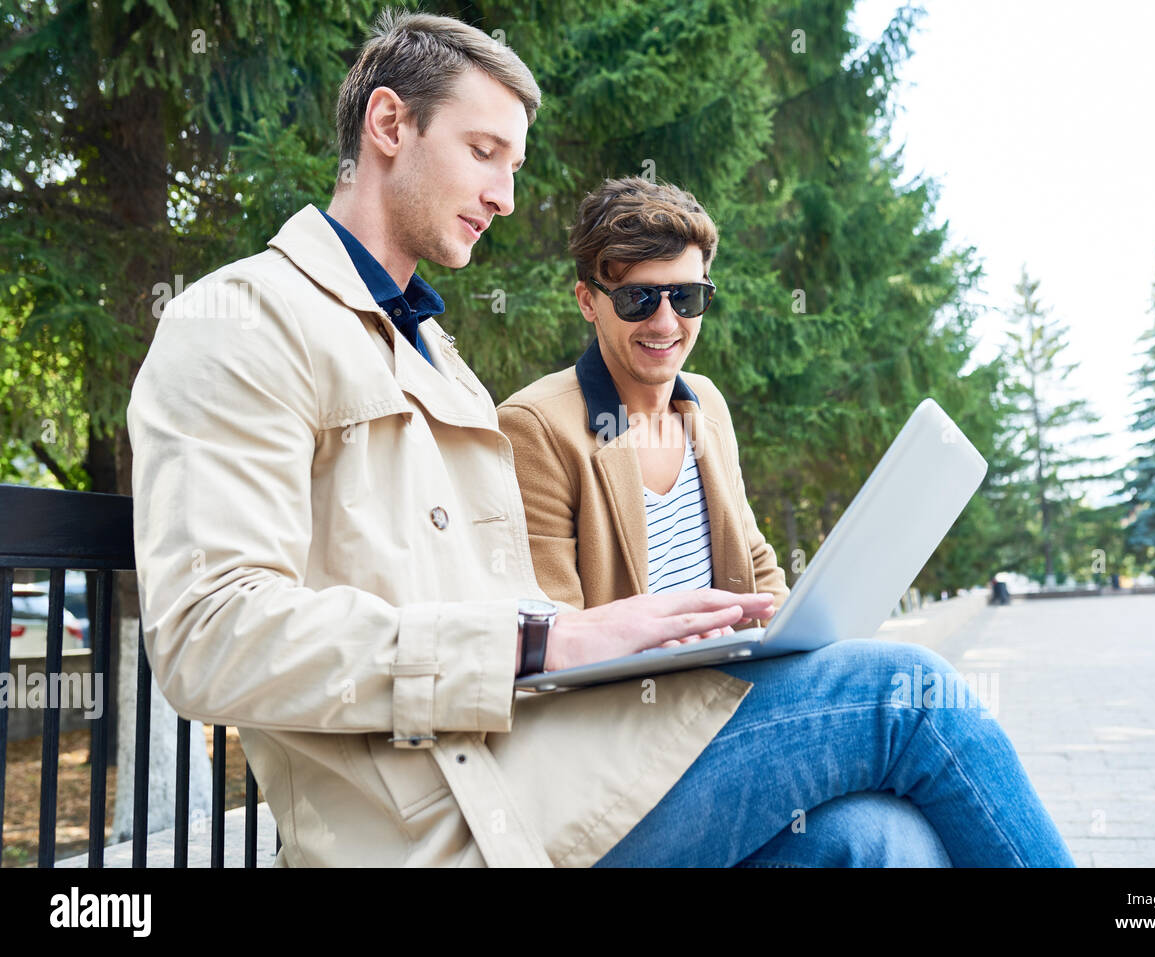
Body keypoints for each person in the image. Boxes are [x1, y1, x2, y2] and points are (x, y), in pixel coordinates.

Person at [127, 9, 1073, 868]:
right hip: (446, 822)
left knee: (882, 842)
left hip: (543, 764)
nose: (503, 194)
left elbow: (517, 614)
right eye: (484, 151)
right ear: (388, 126)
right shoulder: (240, 321)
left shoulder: (439, 360)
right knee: (908, 692)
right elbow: (211, 635)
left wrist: (663, 639)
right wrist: (543, 642)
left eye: (516, 166)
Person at [497, 177, 953, 866]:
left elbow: (756, 565)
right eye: (637, 297)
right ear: (587, 300)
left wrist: (807, 614)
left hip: (727, 717)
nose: (665, 321)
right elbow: (549, 653)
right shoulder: (534, 426)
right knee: (915, 693)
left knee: (888, 838)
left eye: (686, 296)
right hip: (622, 768)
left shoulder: (703, 404)